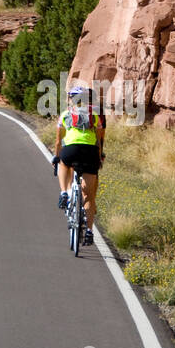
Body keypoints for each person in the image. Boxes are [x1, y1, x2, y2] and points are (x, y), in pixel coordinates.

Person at [52, 82, 105, 245]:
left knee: (63, 163)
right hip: (90, 153)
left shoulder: (66, 114)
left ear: (72, 100)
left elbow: (58, 142)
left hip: (71, 150)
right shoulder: (95, 116)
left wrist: (56, 157)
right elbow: (99, 141)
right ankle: (89, 231)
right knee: (89, 196)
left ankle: (64, 193)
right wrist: (99, 157)